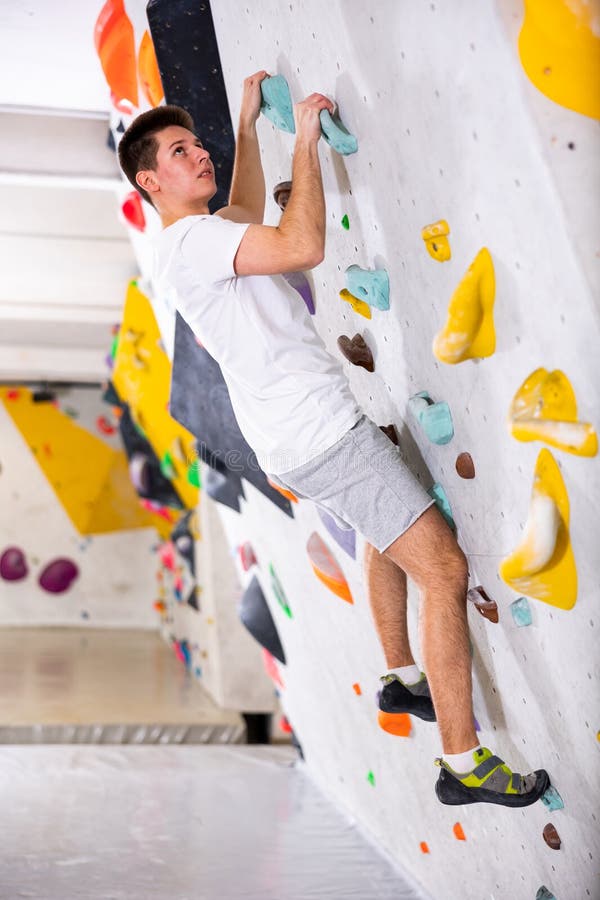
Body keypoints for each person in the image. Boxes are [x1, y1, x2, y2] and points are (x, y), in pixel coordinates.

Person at [118, 70, 549, 807]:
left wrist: (249, 127)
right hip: (318, 435)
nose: (200, 156)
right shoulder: (190, 246)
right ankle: (463, 763)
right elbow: (302, 243)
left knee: (387, 523)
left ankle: (400, 677)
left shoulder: (194, 241)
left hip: (298, 439)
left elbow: (245, 210)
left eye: (199, 145)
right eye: (182, 151)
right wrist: (306, 145)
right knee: (442, 570)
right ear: (152, 180)